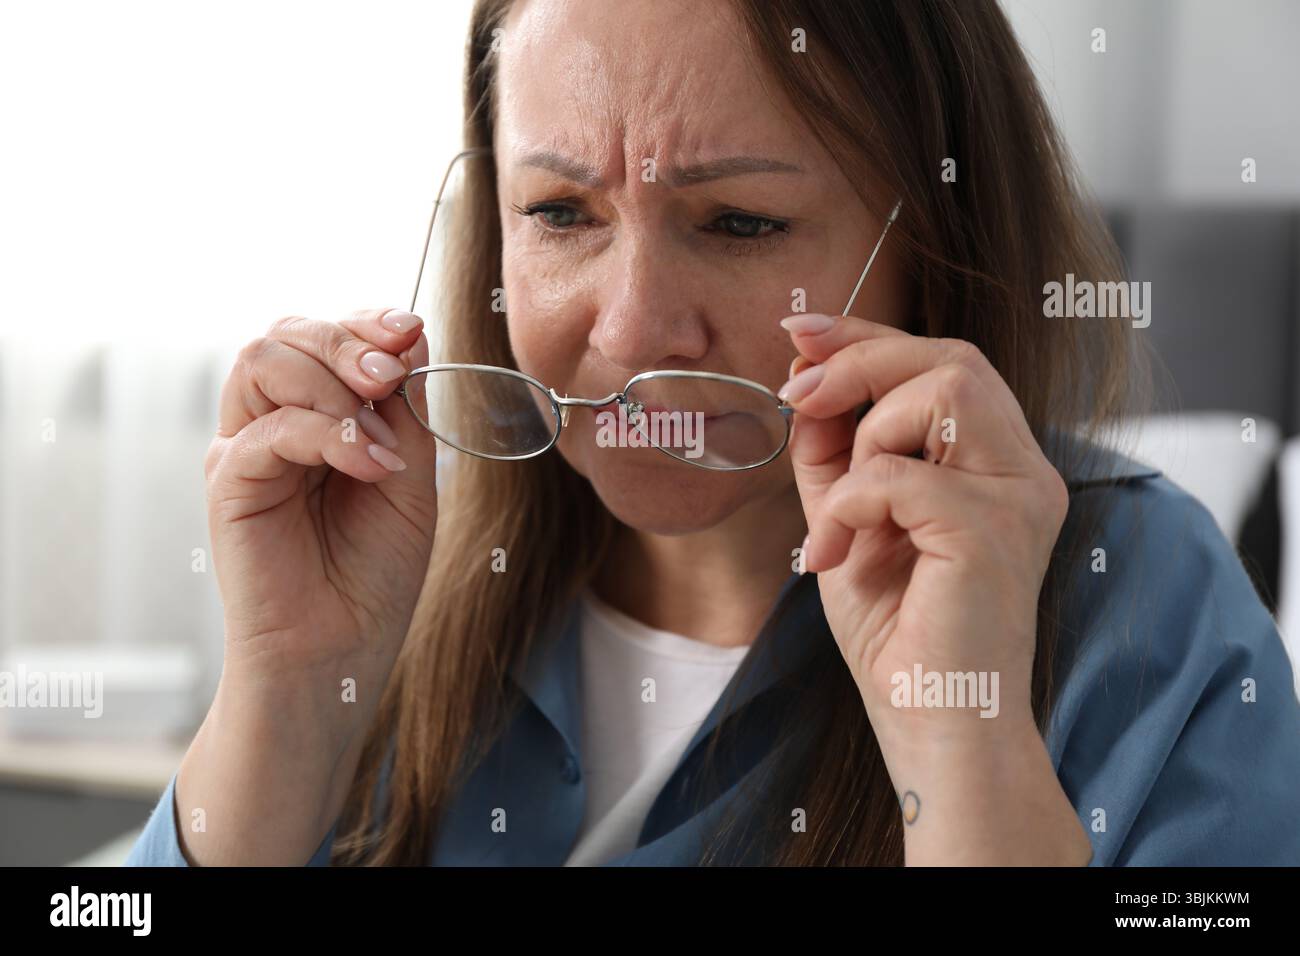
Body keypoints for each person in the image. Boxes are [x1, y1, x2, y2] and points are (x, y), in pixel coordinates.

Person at [126, 0, 1300, 867]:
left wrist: (965, 747)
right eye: (557, 213)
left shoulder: (1143, 599)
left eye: (742, 221)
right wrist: (284, 696)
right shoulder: (399, 561)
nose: (634, 329)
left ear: (932, 245)